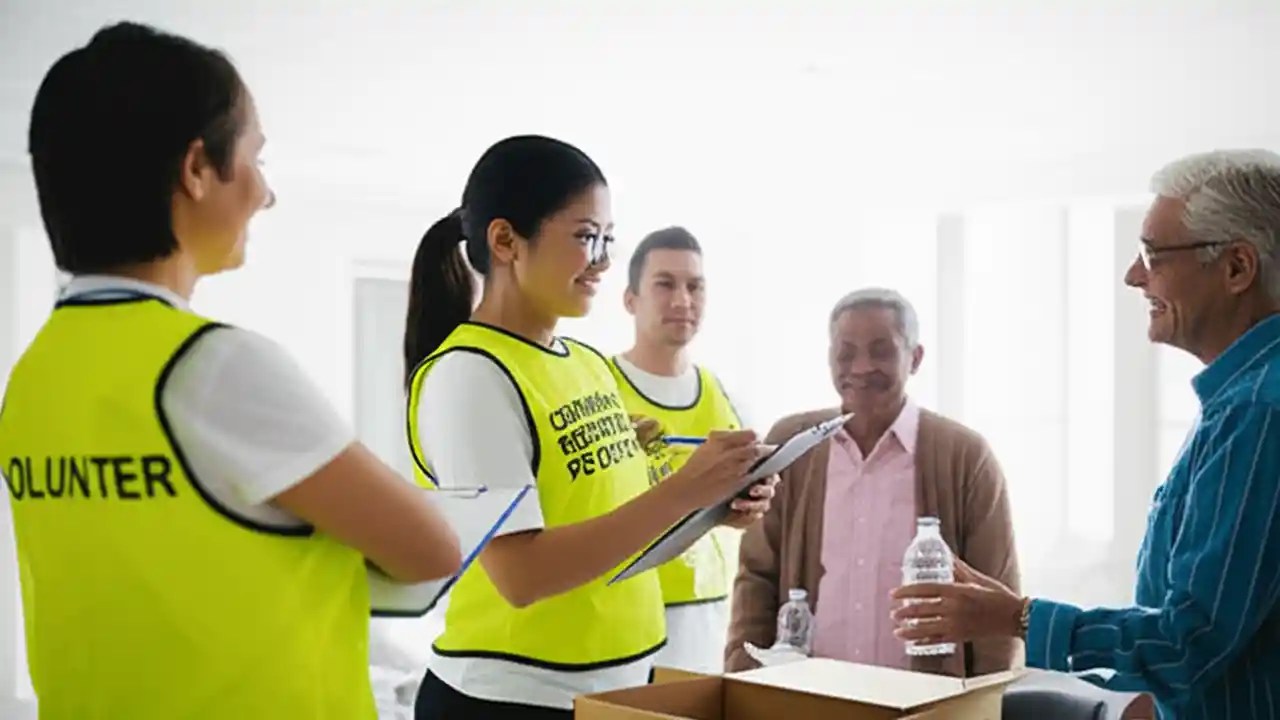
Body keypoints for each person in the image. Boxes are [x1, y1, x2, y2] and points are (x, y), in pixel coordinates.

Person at [0, 22, 463, 720]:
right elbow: (432, 550)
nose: (267, 194)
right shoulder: (214, 366)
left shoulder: (33, 377)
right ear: (196, 169)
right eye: (258, 159)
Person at [892, 149, 1280, 720]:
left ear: (1237, 269)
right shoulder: (1244, 398)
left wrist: (1017, 618)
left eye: (1153, 253)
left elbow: (1188, 643)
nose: (1133, 275)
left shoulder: (1259, 409)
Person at [402, 135, 774, 719]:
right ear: (505, 241)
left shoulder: (586, 364)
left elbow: (615, 536)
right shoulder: (469, 375)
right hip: (511, 700)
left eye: (607, 238)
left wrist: (710, 510)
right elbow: (522, 574)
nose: (602, 261)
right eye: (584, 237)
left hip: (615, 689)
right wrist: (686, 489)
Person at [726, 288, 1021, 677]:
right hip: (808, 697)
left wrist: (988, 705)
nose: (861, 367)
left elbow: (998, 605)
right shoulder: (792, 445)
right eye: (845, 353)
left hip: (924, 704)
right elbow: (756, 578)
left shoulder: (964, 456)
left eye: (881, 351)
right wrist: (742, 685)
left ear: (914, 358)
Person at [608, 226, 750, 674]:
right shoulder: (598, 389)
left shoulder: (725, 397)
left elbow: (742, 514)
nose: (683, 300)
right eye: (665, 284)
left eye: (695, 286)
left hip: (706, 622)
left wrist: (756, 499)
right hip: (621, 617)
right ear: (630, 299)